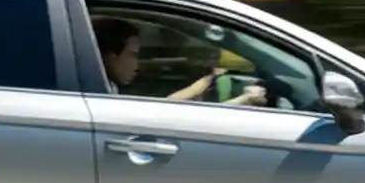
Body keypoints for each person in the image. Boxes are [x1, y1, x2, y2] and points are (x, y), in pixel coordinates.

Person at [91, 16, 267, 106]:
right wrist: (244, 100)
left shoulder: (103, 87)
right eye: (133, 55)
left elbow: (161, 109)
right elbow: (160, 118)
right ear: (110, 56)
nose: (138, 65)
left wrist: (196, 88)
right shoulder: (97, 96)